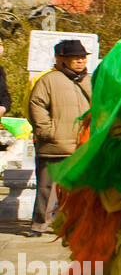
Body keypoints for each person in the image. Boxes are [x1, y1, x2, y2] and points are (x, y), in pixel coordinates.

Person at [27, 39, 92, 237]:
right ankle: (39, 225)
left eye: (82, 57)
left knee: (78, 190)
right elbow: (36, 105)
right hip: (54, 143)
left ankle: (73, 225)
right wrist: (47, 131)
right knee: (46, 188)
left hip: (82, 144)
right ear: (61, 59)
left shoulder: (90, 80)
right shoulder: (48, 80)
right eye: (75, 58)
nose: (81, 61)